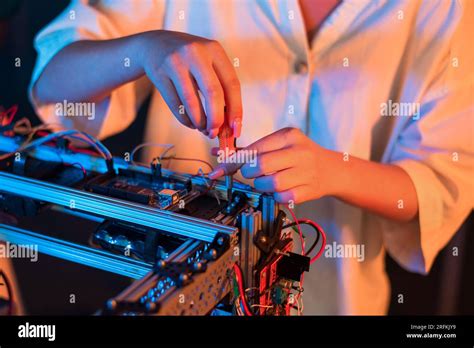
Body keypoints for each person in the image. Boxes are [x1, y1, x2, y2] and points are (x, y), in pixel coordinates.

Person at [29, 0, 473, 315]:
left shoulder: (446, 10)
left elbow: (443, 181)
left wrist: (333, 170)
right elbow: (51, 81)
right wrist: (144, 48)